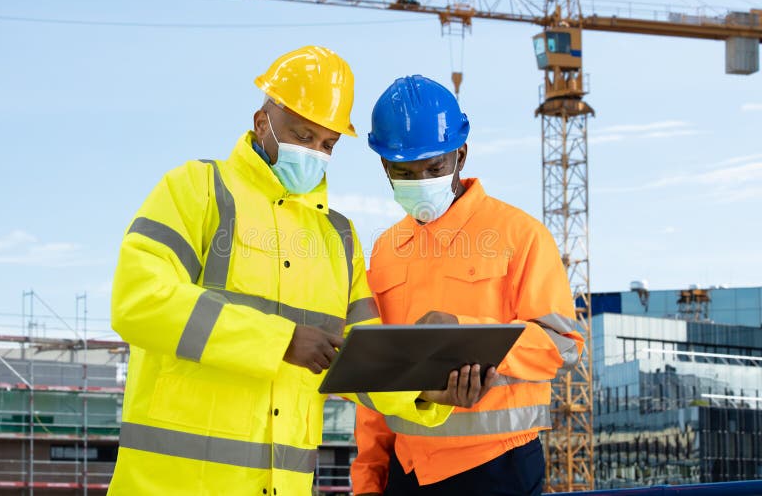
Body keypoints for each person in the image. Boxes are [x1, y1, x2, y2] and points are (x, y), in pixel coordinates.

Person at [108, 48, 493, 496]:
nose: (314, 152)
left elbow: (361, 358)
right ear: (262, 122)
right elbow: (139, 301)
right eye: (303, 135)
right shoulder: (197, 190)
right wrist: (281, 340)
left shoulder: (339, 237)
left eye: (327, 144)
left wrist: (425, 394)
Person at [351, 75, 585, 496]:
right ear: (384, 166)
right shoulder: (385, 250)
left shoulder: (520, 234)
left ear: (461, 154)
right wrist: (368, 479)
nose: (421, 179)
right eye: (404, 171)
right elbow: (377, 372)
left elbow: (560, 345)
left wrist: (467, 337)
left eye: (434, 167)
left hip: (498, 467)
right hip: (407, 472)